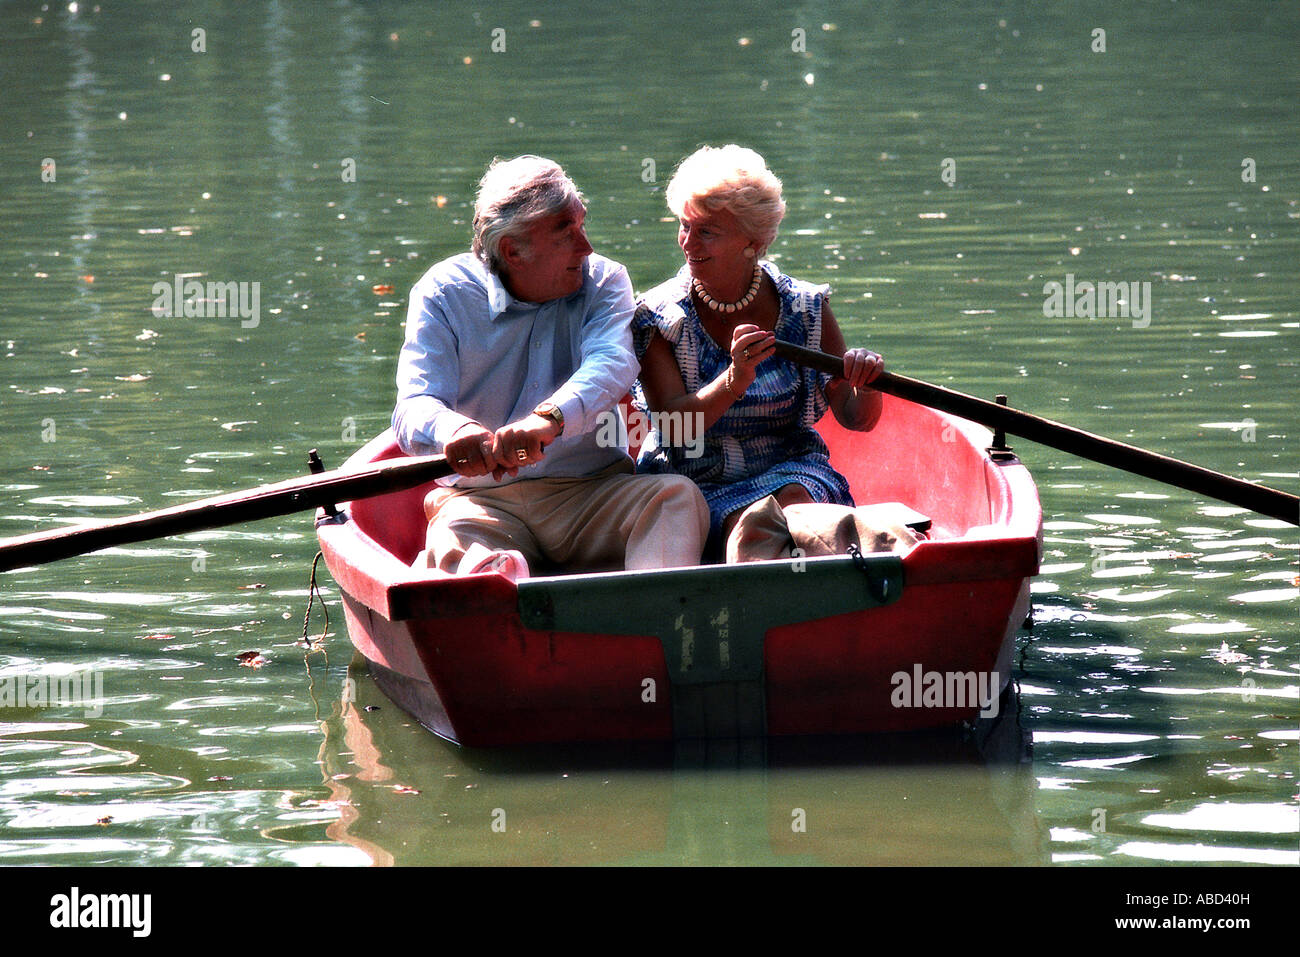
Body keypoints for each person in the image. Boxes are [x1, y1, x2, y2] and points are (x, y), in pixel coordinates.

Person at [392, 155, 709, 577]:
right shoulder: (443, 293)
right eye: (567, 234)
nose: (587, 247)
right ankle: (498, 578)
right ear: (513, 251)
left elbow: (612, 363)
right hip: (483, 503)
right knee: (455, 537)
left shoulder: (605, 281)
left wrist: (550, 418)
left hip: (592, 494)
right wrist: (456, 431)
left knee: (676, 497)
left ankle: (651, 617)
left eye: (583, 225)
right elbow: (415, 404)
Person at [632, 144, 885, 555]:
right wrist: (734, 380)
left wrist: (867, 384)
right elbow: (675, 427)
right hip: (695, 483)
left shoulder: (806, 308)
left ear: (753, 241)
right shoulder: (659, 317)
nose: (687, 243)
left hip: (791, 471)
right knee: (755, 527)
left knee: (794, 510)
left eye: (706, 232)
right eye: (684, 226)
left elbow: (856, 419)